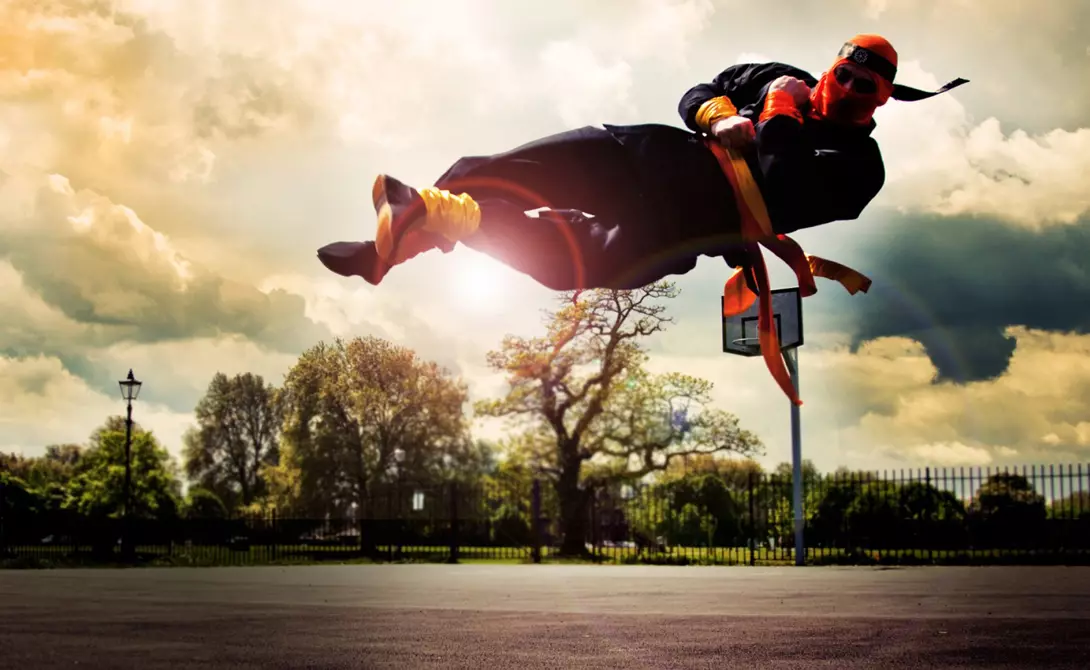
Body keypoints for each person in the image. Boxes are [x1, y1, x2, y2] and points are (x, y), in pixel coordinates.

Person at [318, 33, 966, 294]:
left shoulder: (861, 165)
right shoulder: (777, 76)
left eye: (865, 85)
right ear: (833, 64)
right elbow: (698, 92)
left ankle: (433, 221)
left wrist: (778, 111)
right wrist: (718, 115)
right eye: (845, 72)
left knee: (564, 265)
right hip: (647, 154)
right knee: (486, 169)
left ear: (884, 98)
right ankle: (401, 235)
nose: (849, 87)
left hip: (686, 224)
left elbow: (788, 179)